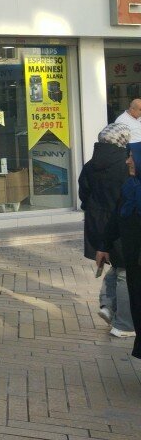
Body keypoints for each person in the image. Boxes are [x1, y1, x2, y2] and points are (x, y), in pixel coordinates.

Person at [79, 123, 133, 337]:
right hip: (120, 225)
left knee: (118, 265)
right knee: (125, 271)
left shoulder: (90, 164)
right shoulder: (127, 163)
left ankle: (108, 306)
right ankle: (124, 324)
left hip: (97, 224)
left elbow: (84, 194)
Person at [98, 143, 141, 361]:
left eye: (132, 157)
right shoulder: (130, 187)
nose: (127, 161)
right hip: (135, 264)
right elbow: (116, 218)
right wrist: (104, 245)